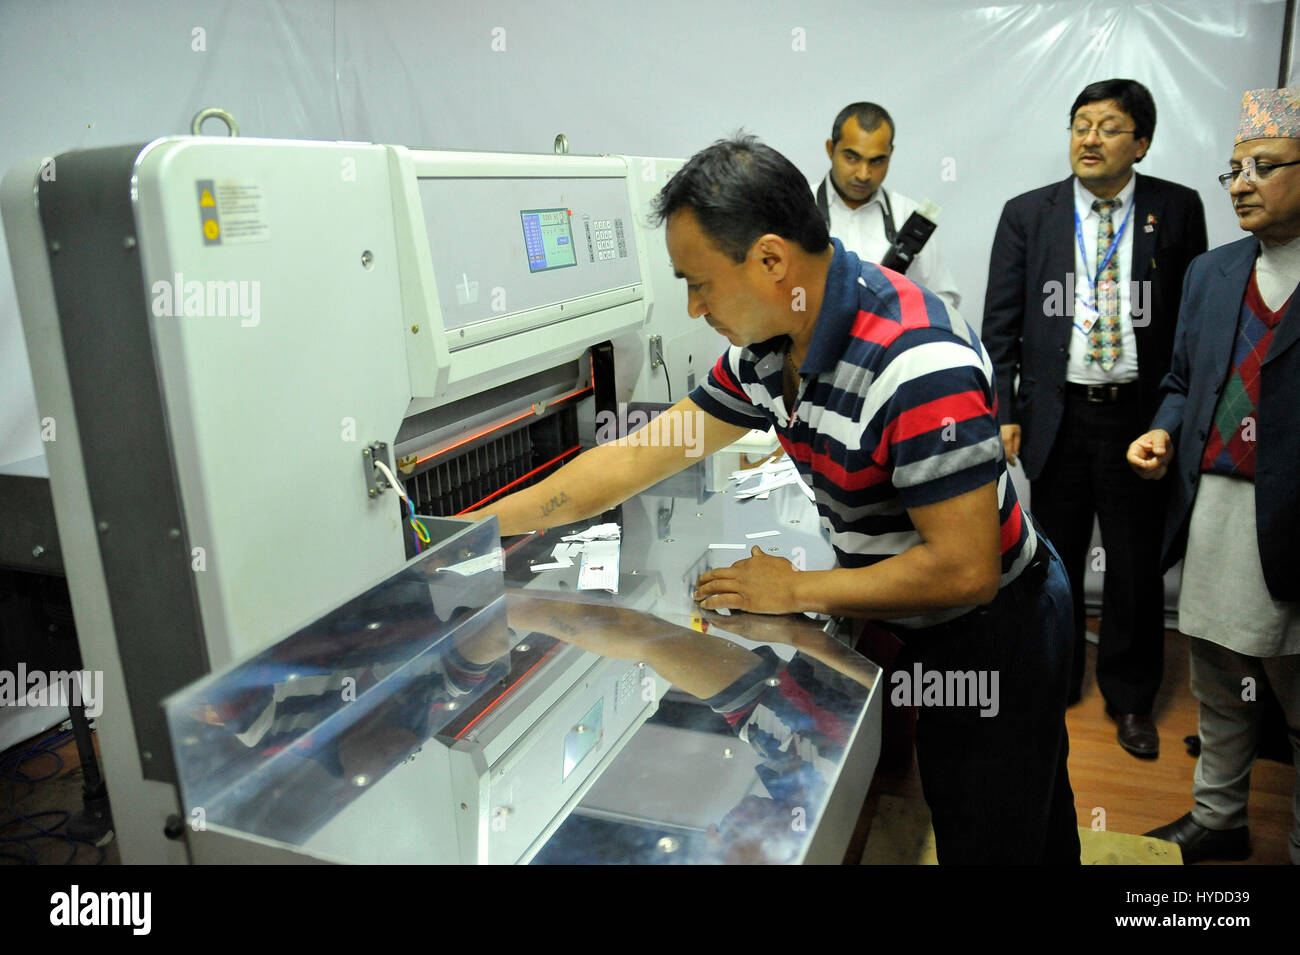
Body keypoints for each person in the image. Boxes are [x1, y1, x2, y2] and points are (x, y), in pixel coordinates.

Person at [475, 134, 1080, 864]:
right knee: (1019, 815)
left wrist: (793, 586)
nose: (694, 309)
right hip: (916, 617)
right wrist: (474, 531)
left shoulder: (916, 361)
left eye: (699, 283)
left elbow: (965, 568)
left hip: (993, 629)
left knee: (994, 827)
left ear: (770, 260)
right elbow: (633, 458)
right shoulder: (768, 353)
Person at [981, 78, 1207, 758]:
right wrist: (1004, 408)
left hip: (1138, 417)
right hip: (1058, 414)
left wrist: (1174, 418)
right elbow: (1001, 326)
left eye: (1108, 126)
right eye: (1080, 124)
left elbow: (1192, 323)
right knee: (1052, 560)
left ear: (1140, 141)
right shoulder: (1030, 213)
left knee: (1136, 567)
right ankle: (1056, 680)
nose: (1089, 137)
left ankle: (1131, 698)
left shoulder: (1176, 207)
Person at [1130, 87, 1300, 865]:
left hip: (1293, 520)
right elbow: (1179, 382)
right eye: (1233, 168)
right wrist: (1163, 433)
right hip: (1214, 510)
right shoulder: (1211, 272)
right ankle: (1218, 817)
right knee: (1219, 680)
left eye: (1262, 166)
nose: (1239, 183)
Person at [814, 102, 961, 312]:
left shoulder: (910, 218)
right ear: (831, 149)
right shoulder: (795, 208)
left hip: (892, 343)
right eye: (851, 158)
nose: (863, 174)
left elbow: (944, 300)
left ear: (890, 153)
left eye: (877, 161)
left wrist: (902, 321)